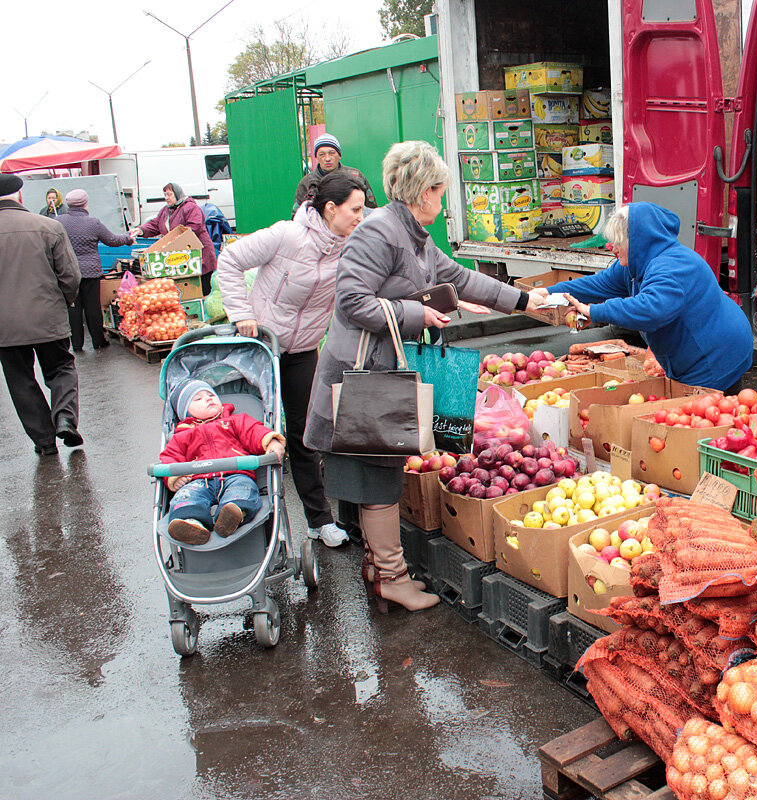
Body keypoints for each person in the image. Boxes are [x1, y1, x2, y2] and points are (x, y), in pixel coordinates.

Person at [304, 140, 545, 612]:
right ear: (422, 191)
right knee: (377, 479)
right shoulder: (379, 233)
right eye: (440, 190)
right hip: (362, 378)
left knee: (381, 474)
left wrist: (523, 300)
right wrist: (416, 313)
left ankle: (380, 569)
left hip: (379, 372)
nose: (442, 200)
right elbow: (352, 302)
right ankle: (391, 577)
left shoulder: (412, 234)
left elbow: (458, 278)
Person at [216, 171, 368, 548]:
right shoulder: (286, 235)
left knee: (305, 436)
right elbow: (230, 259)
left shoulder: (350, 248)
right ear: (331, 208)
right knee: (252, 435)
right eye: (355, 210)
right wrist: (240, 313)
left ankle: (319, 521)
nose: (360, 218)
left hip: (303, 351)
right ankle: (254, 525)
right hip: (259, 346)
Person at [529, 203, 753, 393]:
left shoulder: (672, 266)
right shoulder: (635, 263)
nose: (612, 248)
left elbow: (650, 310)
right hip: (694, 352)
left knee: (708, 422)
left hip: (716, 356)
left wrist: (595, 311)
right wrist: (551, 292)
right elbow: (598, 284)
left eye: (618, 242)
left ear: (638, 241)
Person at [0, 173, 83, 456]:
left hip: (5, 327)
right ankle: (65, 419)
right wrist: (64, 303)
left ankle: (45, 442)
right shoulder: (50, 227)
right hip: (49, 316)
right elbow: (71, 276)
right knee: (61, 368)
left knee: (20, 381)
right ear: (20, 196)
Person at [160, 380, 286, 546]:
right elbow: (170, 456)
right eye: (198, 399)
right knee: (187, 497)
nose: (208, 399)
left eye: (211, 395)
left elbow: (253, 431)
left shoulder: (234, 421)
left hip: (236, 474)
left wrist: (270, 442)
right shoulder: (182, 434)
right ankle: (190, 524)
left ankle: (232, 515)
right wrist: (175, 476)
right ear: (185, 412)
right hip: (199, 480)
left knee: (242, 491)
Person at [58, 189, 134, 352]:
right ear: (85, 203)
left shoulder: (59, 222)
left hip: (69, 272)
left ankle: (76, 344)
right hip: (91, 272)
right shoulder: (93, 223)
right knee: (93, 307)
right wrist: (127, 239)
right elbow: (112, 240)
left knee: (73, 308)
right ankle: (98, 340)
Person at [130, 183, 218, 295]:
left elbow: (193, 227)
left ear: (177, 194)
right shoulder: (165, 211)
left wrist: (176, 240)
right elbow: (155, 224)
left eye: (169, 195)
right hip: (180, 258)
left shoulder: (191, 208)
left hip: (199, 256)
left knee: (203, 289)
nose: (166, 198)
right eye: (165, 195)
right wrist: (140, 230)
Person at [293, 133, 377, 213]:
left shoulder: (355, 176)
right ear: (316, 158)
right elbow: (297, 215)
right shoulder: (307, 183)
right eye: (322, 154)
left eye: (332, 153)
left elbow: (371, 209)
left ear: (339, 155)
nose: (327, 158)